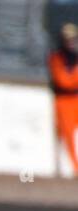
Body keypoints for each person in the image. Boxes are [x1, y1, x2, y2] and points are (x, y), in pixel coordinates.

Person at [49, 23, 78, 176]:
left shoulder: (75, 59)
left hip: (75, 99)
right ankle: (74, 167)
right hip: (63, 100)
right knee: (66, 134)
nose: (71, 42)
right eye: (68, 39)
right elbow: (62, 81)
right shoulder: (57, 58)